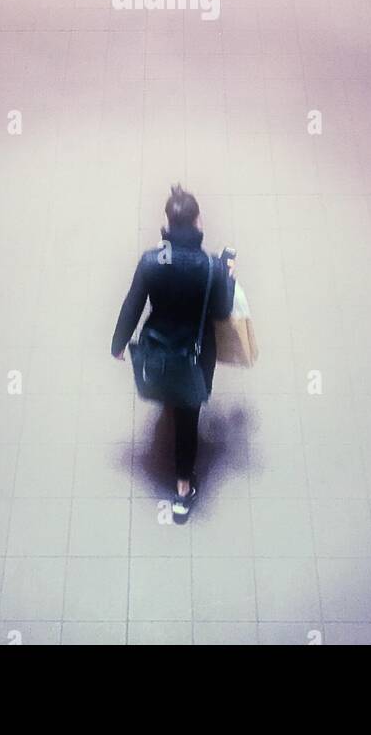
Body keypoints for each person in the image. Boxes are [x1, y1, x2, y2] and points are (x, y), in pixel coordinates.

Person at [111, 185, 235, 522]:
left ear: (167, 221)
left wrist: (118, 343)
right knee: (188, 420)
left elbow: (132, 304)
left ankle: (169, 393)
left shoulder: (152, 261)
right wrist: (228, 276)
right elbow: (222, 311)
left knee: (170, 391)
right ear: (196, 221)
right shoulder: (210, 266)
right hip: (194, 357)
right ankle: (182, 493)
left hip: (158, 351)